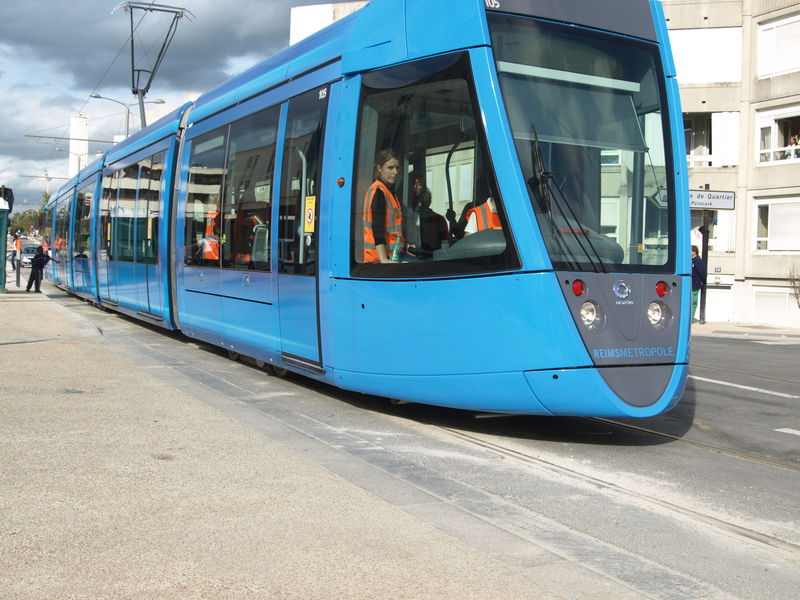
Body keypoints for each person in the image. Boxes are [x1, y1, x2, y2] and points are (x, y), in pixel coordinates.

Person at [362, 149, 405, 263]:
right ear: (379, 168)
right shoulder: (378, 192)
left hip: (392, 255)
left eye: (397, 168)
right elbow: (377, 228)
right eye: (390, 168)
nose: (395, 172)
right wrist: (383, 259)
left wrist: (404, 245)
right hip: (378, 260)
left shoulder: (389, 192)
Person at [404, 172, 449, 258]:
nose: (415, 187)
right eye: (413, 184)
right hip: (407, 254)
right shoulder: (403, 209)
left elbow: (444, 245)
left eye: (419, 184)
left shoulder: (438, 220)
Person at [691, 245, 706, 323]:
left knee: (693, 302)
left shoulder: (698, 261)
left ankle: (691, 318)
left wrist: (702, 282)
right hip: (689, 285)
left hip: (695, 285)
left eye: (691, 251)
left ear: (694, 252)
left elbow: (702, 273)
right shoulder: (689, 261)